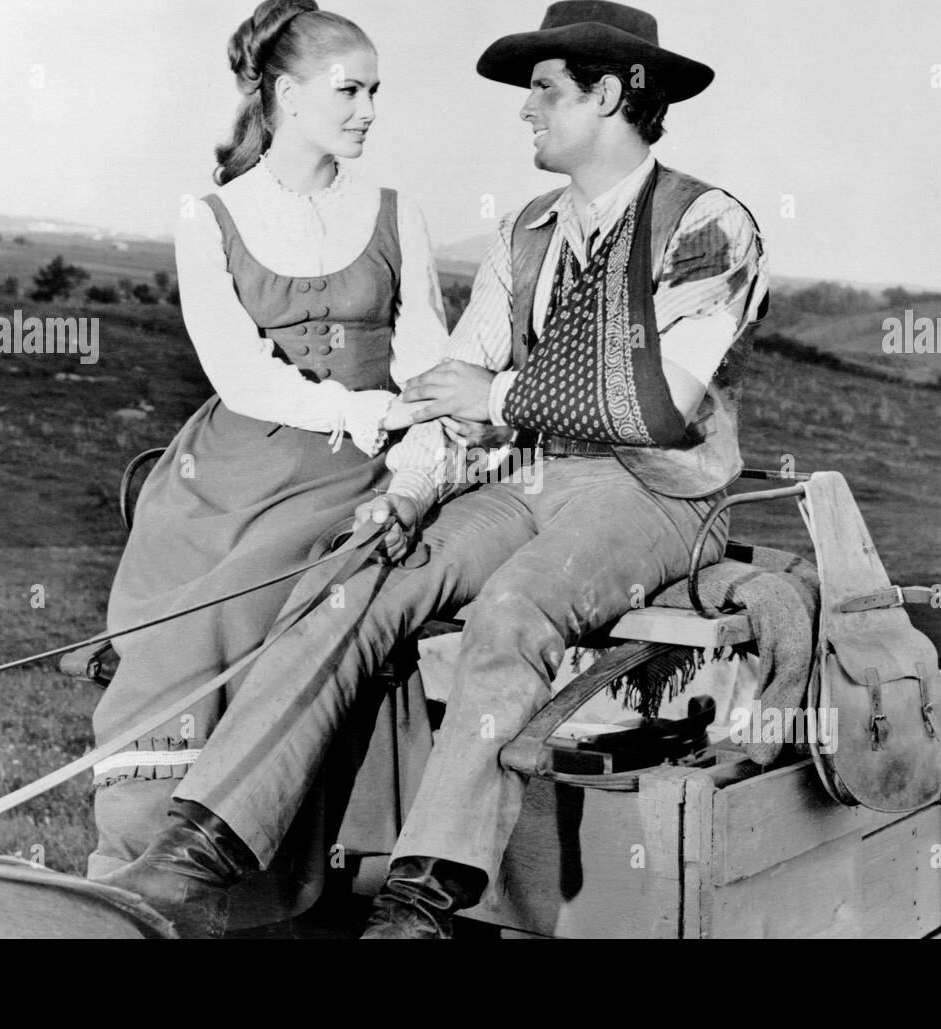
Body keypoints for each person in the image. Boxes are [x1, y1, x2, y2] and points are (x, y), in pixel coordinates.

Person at [100, 0, 769, 940]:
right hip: (529, 479)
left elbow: (652, 405)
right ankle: (196, 853)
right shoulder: (527, 231)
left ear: (611, 94)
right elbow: (451, 389)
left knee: (515, 607)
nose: (524, 113)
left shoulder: (710, 225)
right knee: (354, 582)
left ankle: (420, 902)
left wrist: (494, 399)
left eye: (542, 92)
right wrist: (408, 498)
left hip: (659, 491)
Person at [86, 0, 447, 918]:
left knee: (298, 619)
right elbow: (239, 372)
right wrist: (354, 409)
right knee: (185, 632)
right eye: (350, 90)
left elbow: (431, 361)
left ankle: (266, 895)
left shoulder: (397, 213)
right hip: (239, 463)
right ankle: (134, 879)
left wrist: (418, 442)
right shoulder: (210, 217)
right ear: (286, 94)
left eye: (376, 92)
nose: (369, 110)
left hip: (355, 473)